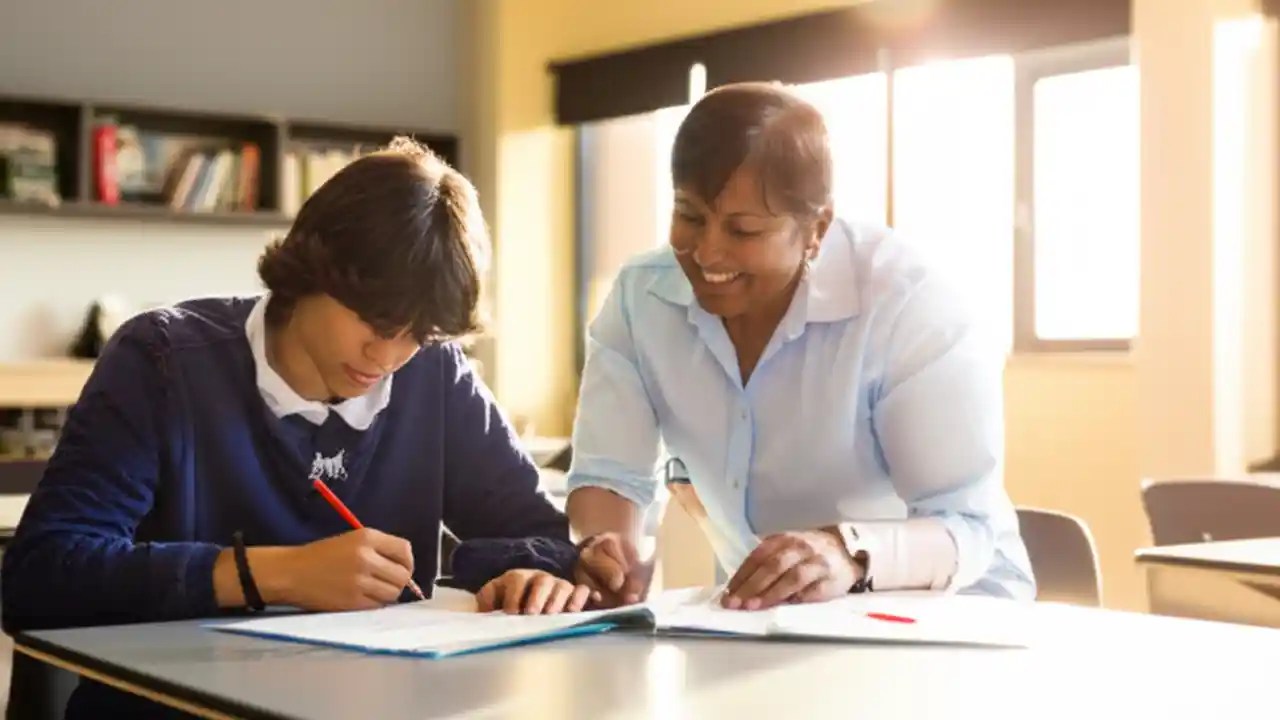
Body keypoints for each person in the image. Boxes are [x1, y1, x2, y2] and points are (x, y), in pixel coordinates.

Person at [2, 138, 589, 718]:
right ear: (311, 269)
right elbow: (40, 577)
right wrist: (277, 574)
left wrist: (530, 573)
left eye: (417, 334)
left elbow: (542, 536)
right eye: (376, 319)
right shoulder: (161, 360)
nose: (387, 355)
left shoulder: (433, 374)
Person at [567, 83, 1035, 610]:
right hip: (771, 623)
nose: (706, 252)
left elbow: (966, 525)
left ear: (817, 228)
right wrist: (608, 548)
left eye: (743, 230)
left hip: (955, 617)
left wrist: (846, 552)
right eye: (690, 216)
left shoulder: (906, 304)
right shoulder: (642, 299)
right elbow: (608, 477)